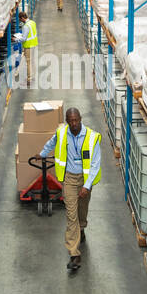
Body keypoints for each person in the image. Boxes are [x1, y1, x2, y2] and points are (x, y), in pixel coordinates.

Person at [39, 107, 101, 273]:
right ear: (67, 121)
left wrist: (87, 186)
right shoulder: (62, 133)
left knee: (82, 210)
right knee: (70, 214)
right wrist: (43, 153)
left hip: (85, 179)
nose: (74, 124)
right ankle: (74, 254)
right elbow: (52, 142)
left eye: (76, 120)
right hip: (69, 179)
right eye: (70, 121)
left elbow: (95, 164)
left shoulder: (91, 137)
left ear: (81, 118)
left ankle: (82, 227)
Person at [17, 9, 37, 87]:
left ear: (22, 18)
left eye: (20, 19)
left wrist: (16, 39)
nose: (20, 21)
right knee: (32, 62)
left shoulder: (25, 26)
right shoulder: (32, 22)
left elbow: (24, 38)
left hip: (28, 46)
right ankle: (33, 77)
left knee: (28, 63)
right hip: (34, 45)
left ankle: (29, 80)